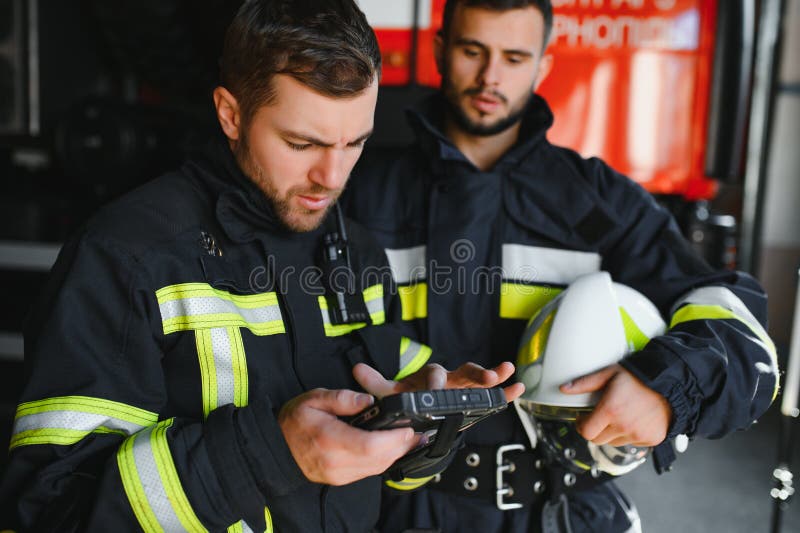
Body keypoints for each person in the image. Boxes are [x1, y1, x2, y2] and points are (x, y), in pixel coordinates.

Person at [0, 1, 523, 531]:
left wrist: (418, 424)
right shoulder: (128, 256)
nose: (332, 176)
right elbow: (45, 514)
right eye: (302, 144)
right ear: (231, 113)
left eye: (355, 143)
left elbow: (376, 485)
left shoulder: (354, 249)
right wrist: (271, 456)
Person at [344, 0, 780, 531]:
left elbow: (736, 321)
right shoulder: (360, 195)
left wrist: (668, 389)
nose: (490, 76)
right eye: (472, 50)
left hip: (561, 513)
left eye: (514, 56)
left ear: (543, 65)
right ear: (439, 51)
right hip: (398, 508)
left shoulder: (597, 204)